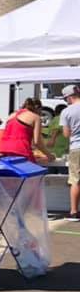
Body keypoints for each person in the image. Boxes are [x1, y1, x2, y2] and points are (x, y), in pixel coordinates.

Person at [0, 98, 52, 164]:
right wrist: (49, 155)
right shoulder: (35, 117)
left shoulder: (12, 115)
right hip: (21, 150)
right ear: (37, 107)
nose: (40, 112)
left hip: (3, 148)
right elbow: (37, 142)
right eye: (40, 110)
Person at [58, 84, 80, 221]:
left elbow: (66, 134)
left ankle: (73, 212)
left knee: (76, 180)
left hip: (77, 146)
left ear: (69, 97)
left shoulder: (67, 112)